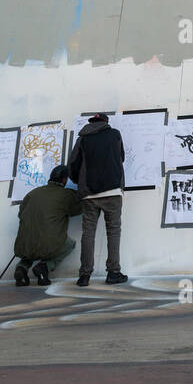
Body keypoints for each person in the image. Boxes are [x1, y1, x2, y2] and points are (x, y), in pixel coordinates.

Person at [68, 113, 128, 287]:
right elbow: (121, 157)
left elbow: (73, 164)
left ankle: (84, 275)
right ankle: (113, 273)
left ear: (91, 123)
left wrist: (79, 181)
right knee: (114, 231)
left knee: (88, 234)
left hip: (89, 194)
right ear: (106, 122)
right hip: (113, 191)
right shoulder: (115, 134)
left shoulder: (83, 139)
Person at [13, 164, 82, 286]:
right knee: (69, 244)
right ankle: (44, 267)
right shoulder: (65, 195)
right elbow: (77, 209)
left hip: (23, 243)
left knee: (29, 250)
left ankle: (21, 268)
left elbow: (21, 214)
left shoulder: (32, 193)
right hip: (47, 244)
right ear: (64, 179)